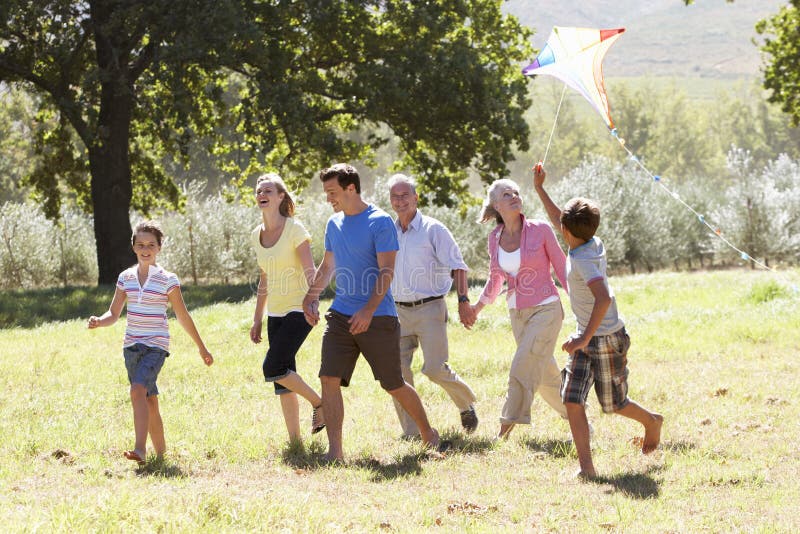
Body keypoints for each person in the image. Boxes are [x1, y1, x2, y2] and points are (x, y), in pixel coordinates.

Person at [302, 163, 440, 461]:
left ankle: (429, 433)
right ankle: (335, 452)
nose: (329, 199)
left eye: (333, 192)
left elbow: (386, 271)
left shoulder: (379, 221)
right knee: (328, 378)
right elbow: (327, 266)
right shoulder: (333, 224)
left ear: (351, 188)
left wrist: (367, 310)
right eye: (327, 193)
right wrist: (310, 297)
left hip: (377, 317)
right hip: (340, 315)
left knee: (393, 384)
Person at [533, 162, 663, 479]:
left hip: (605, 339)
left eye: (561, 224)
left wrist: (582, 339)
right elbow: (560, 220)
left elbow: (603, 298)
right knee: (571, 399)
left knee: (613, 405)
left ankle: (652, 421)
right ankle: (586, 469)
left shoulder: (582, 260)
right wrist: (539, 189)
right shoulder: (590, 240)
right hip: (587, 336)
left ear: (566, 231)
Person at [87, 220, 214, 465]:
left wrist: (201, 347)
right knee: (149, 400)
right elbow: (113, 313)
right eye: (141, 244)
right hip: (131, 347)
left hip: (156, 345)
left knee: (137, 390)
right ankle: (162, 455)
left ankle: (140, 449)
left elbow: (182, 315)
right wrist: (98, 321)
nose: (146, 249)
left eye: (151, 245)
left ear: (159, 248)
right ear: (134, 246)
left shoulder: (168, 279)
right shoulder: (125, 278)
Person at [470, 178, 571, 440]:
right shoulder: (494, 238)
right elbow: (495, 279)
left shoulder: (541, 229)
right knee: (547, 379)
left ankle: (504, 428)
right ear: (496, 205)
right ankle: (579, 421)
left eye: (516, 192)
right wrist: (477, 308)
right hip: (517, 313)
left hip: (547, 308)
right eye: (507, 194)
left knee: (521, 366)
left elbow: (562, 267)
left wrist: (583, 305)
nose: (514, 196)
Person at [387, 173, 478, 437]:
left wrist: (463, 302)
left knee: (434, 368)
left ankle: (465, 403)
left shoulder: (433, 229)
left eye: (405, 195)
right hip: (398, 312)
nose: (400, 200)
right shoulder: (387, 232)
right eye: (395, 196)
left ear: (416, 197)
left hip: (430, 308)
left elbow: (458, 266)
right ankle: (412, 432)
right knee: (398, 375)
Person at [250, 173, 325, 443]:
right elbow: (265, 278)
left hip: (299, 309)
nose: (262, 194)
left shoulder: (295, 230)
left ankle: (320, 403)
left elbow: (310, 271)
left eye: (268, 190)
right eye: (259, 190)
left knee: (273, 366)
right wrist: (257, 318)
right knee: (283, 379)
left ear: (281, 197)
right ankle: (295, 442)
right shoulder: (256, 235)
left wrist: (313, 301)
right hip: (275, 314)